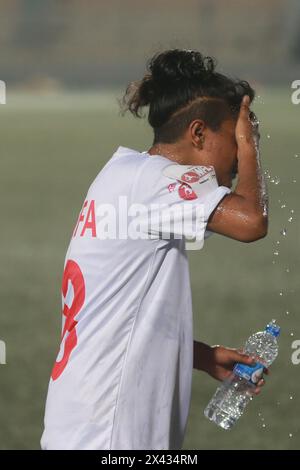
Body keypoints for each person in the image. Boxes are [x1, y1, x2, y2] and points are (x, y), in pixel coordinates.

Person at [41, 49, 268, 450]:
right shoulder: (157, 181)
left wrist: (197, 355)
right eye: (232, 137)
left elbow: (116, 309)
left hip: (83, 427)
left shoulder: (123, 175)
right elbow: (252, 221)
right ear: (198, 134)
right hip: (109, 438)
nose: (236, 155)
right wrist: (251, 146)